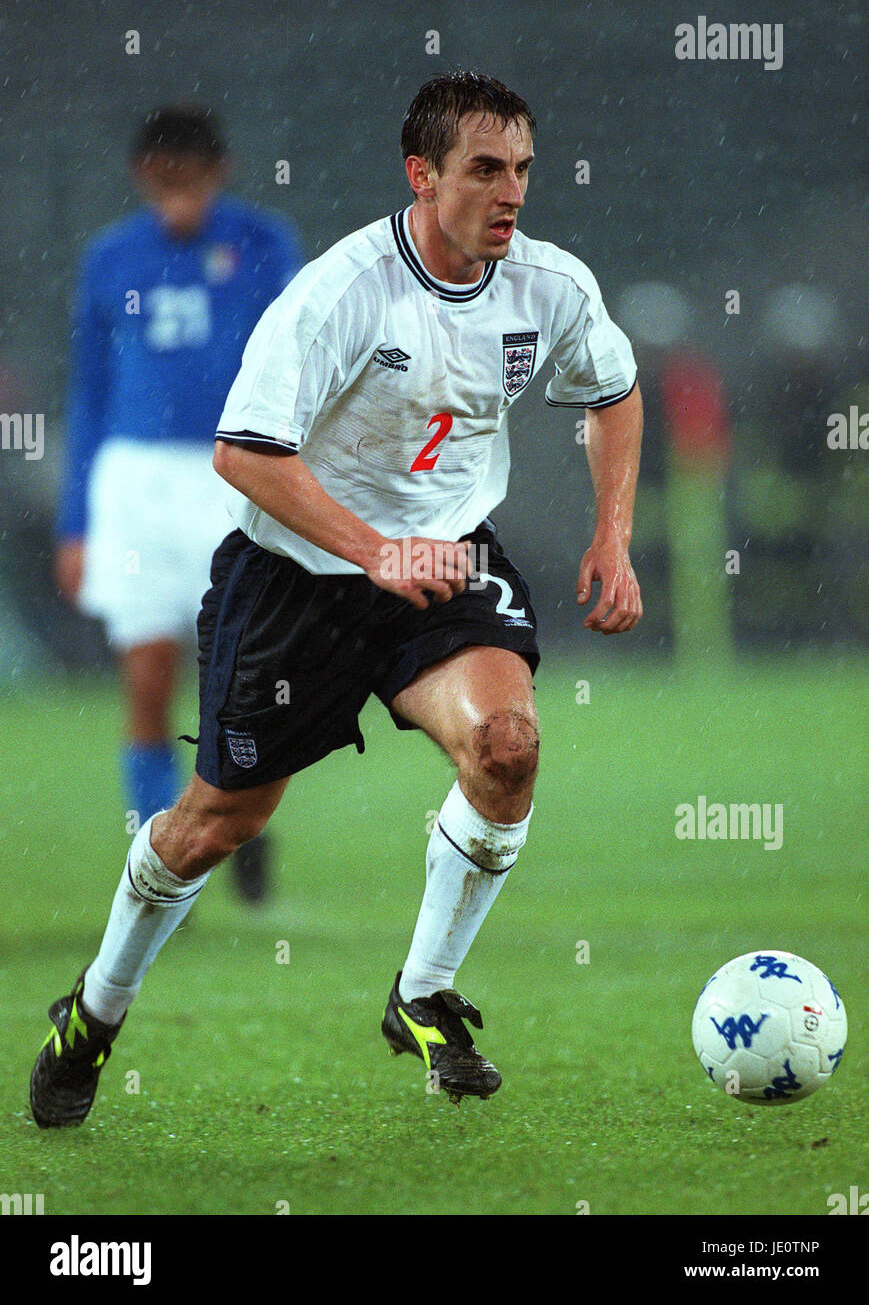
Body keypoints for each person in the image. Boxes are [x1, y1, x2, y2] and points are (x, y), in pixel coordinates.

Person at [31, 71, 642, 1127]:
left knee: (506, 747)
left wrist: (612, 535)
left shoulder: (547, 285)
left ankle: (418, 994)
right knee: (218, 820)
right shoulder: (339, 290)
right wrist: (374, 550)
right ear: (422, 174)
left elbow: (614, 390)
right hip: (294, 580)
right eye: (483, 169)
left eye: (522, 171)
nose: (510, 194)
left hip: (442, 568)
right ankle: (94, 1007)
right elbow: (243, 454)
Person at [54, 104, 305, 902]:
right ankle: (156, 860)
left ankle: (241, 820)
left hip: (234, 470)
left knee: (240, 669)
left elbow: (299, 370)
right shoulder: (110, 258)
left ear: (218, 173)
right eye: (162, 186)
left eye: (189, 184)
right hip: (133, 481)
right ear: (141, 179)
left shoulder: (265, 245)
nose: (177, 203)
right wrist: (76, 522)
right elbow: (89, 390)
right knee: (148, 670)